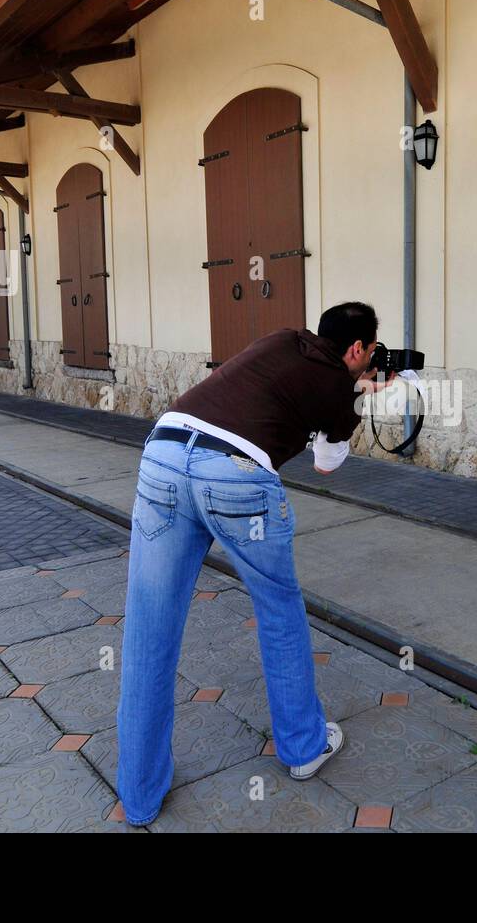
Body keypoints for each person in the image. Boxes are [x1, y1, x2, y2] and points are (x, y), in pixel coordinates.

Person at [115, 301, 392, 826]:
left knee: (149, 624)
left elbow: (264, 388)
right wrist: (357, 397)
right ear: (359, 349)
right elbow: (328, 464)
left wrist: (352, 391)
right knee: (279, 612)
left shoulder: (283, 337)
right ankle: (303, 748)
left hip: (165, 452)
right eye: (370, 353)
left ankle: (139, 794)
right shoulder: (339, 385)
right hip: (235, 475)